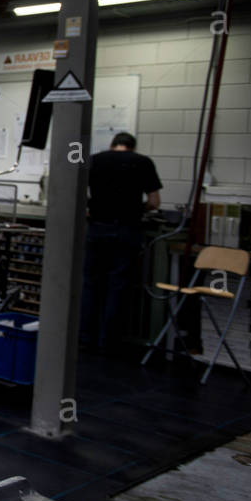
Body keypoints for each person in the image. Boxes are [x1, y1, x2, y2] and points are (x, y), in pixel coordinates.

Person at [80, 131, 162, 356]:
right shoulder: (143, 162)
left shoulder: (94, 160)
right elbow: (154, 202)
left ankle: (84, 338)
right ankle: (108, 342)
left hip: (97, 228)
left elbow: (78, 194)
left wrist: (94, 206)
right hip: (127, 229)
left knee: (90, 284)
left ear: (112, 145)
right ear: (132, 147)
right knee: (117, 286)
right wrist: (136, 208)